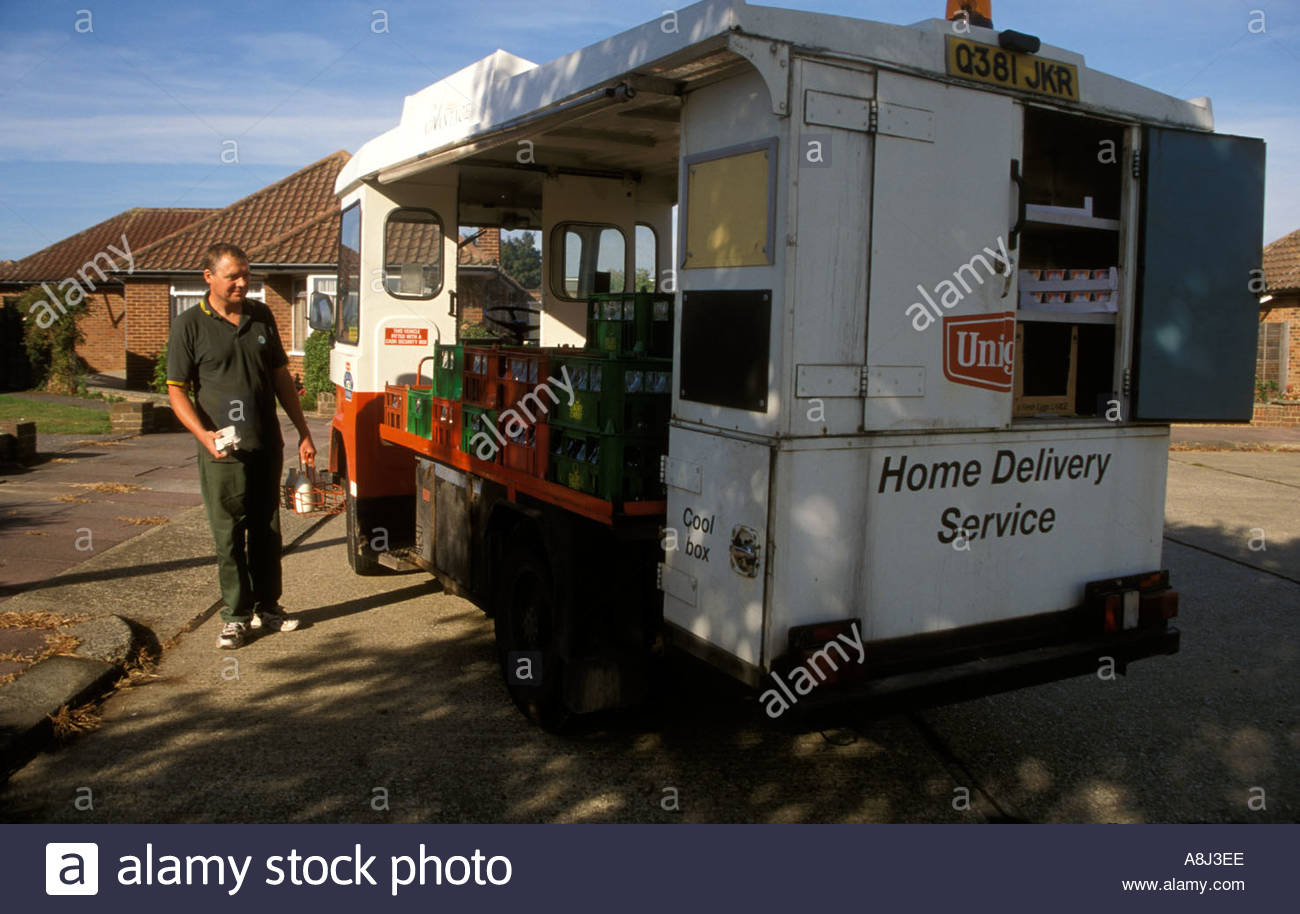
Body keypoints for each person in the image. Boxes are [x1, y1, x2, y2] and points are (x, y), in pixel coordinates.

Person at [166, 243, 316, 648]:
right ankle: (235, 616)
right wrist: (204, 436)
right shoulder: (188, 326)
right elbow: (176, 391)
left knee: (267, 529)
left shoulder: (261, 315)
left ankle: (269, 607)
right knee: (229, 534)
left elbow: (282, 378)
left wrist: (302, 430)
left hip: (265, 442)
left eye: (246, 275)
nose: (242, 283)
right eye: (233, 275)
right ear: (208, 276)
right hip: (223, 451)